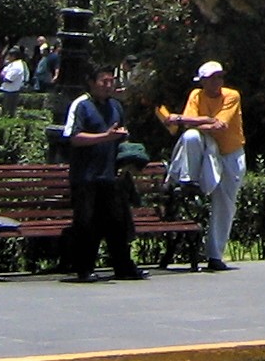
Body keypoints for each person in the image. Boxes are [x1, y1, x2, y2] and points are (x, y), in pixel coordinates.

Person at [158, 60, 246, 272]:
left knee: (224, 205)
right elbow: (190, 126)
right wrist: (197, 121)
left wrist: (182, 118)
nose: (218, 81)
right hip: (207, 146)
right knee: (190, 136)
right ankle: (189, 179)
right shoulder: (196, 95)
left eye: (220, 77)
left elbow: (220, 124)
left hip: (230, 153)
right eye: (213, 78)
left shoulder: (232, 95)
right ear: (203, 81)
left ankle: (215, 256)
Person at [64, 65, 144, 281]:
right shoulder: (81, 105)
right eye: (103, 81)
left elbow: (121, 138)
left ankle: (123, 267)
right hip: (86, 177)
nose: (109, 86)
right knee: (86, 224)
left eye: (112, 81)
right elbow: (74, 137)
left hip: (111, 176)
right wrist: (105, 137)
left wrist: (126, 158)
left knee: (117, 223)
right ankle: (84, 268)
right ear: (91, 82)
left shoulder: (116, 107)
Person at [0, 46, 29, 116]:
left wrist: (3, 76)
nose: (8, 57)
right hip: (7, 90)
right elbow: (2, 73)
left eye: (9, 55)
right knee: (4, 111)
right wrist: (3, 75)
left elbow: (8, 79)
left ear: (14, 56)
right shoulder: (11, 64)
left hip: (12, 91)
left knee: (8, 112)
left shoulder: (17, 66)